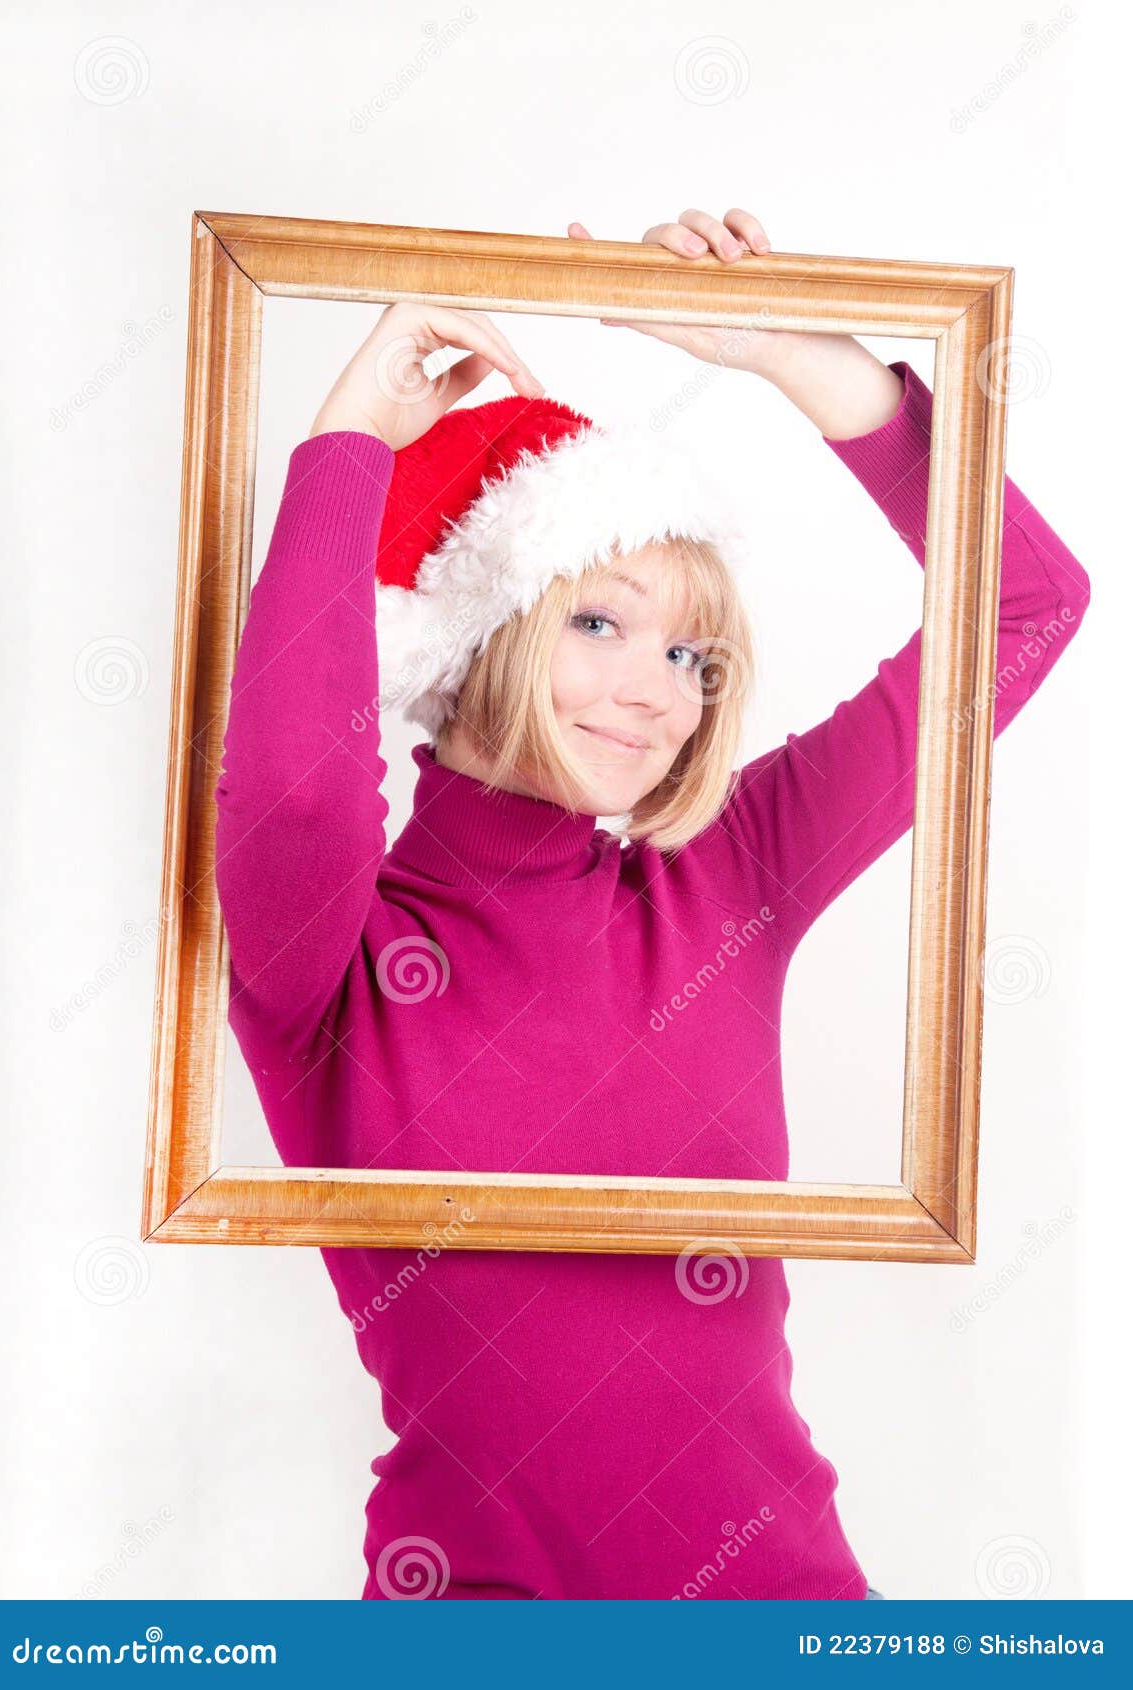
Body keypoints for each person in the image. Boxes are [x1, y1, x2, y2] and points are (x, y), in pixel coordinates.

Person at [214, 207, 1091, 1600]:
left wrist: (801, 357)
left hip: (782, 1613)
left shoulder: (728, 876)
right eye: (599, 620)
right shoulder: (340, 958)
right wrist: (351, 447)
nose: (656, 689)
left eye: (691, 650)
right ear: (481, 631)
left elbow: (1030, 606)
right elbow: (301, 796)